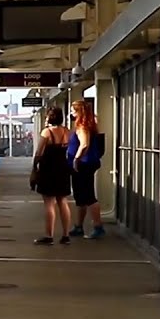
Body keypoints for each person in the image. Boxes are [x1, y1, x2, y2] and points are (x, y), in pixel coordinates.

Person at [30, 107, 73, 245]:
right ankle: (66, 235)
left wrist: (34, 168)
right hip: (63, 169)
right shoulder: (67, 132)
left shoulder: (47, 132)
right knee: (63, 201)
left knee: (49, 203)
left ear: (50, 117)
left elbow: (39, 152)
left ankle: (49, 236)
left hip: (48, 170)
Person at [67, 99, 106, 239]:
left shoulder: (82, 127)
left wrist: (76, 159)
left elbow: (84, 145)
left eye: (73, 110)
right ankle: (79, 226)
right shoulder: (89, 125)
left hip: (83, 164)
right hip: (86, 163)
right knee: (80, 197)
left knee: (88, 196)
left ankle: (98, 226)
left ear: (79, 112)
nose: (71, 113)